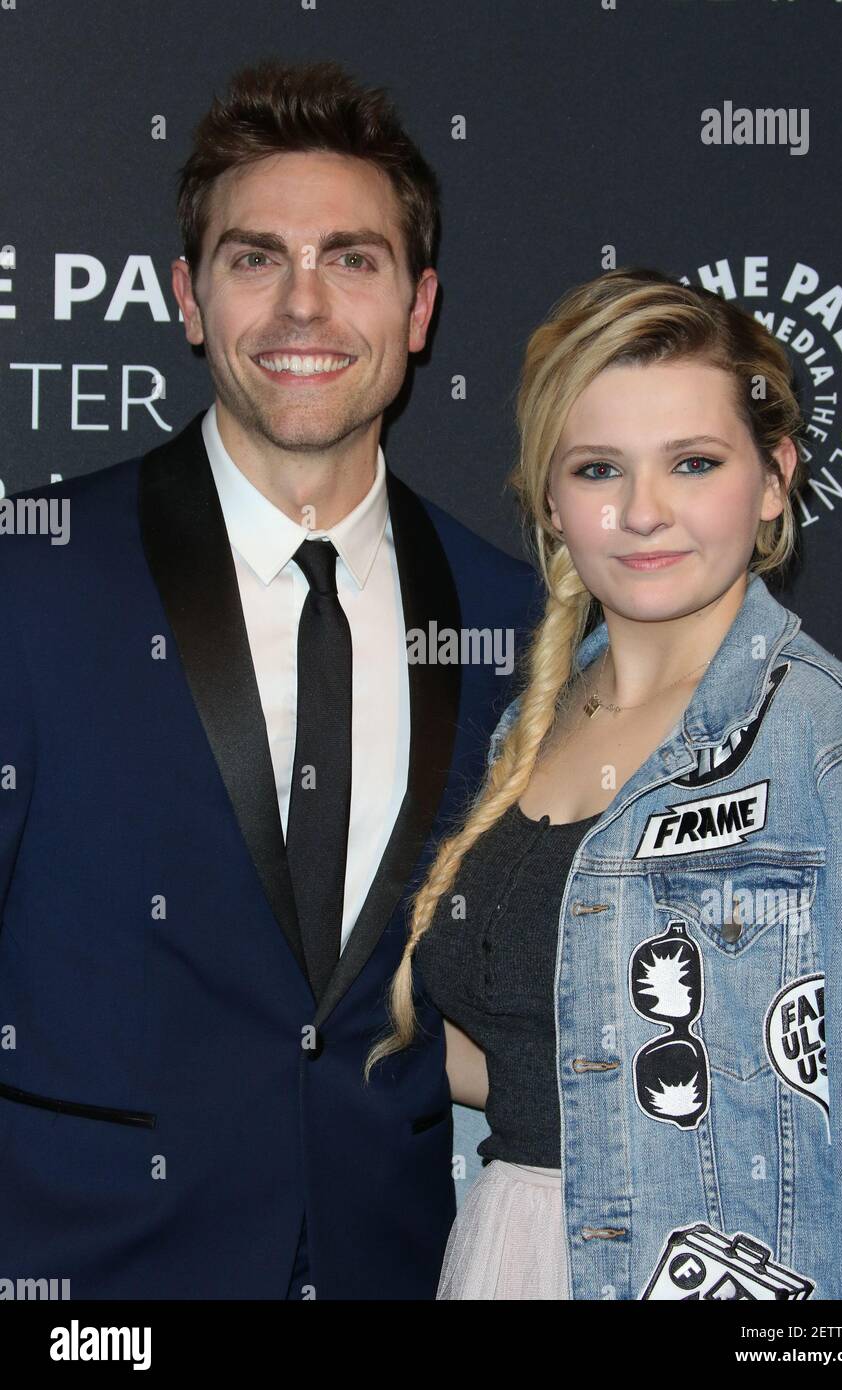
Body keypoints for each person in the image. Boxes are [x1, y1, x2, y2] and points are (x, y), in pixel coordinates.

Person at [0, 58, 540, 1299]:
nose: (304, 306)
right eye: (255, 260)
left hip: (386, 1269)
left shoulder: (511, 620)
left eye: (352, 260)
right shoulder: (32, 579)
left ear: (419, 307)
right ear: (190, 299)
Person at [366, 266, 842, 1300]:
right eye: (597, 470)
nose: (641, 512)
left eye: (692, 462)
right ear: (548, 497)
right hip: (506, 1251)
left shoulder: (830, 749)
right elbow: (555, 1056)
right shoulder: (532, 729)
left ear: (772, 478)